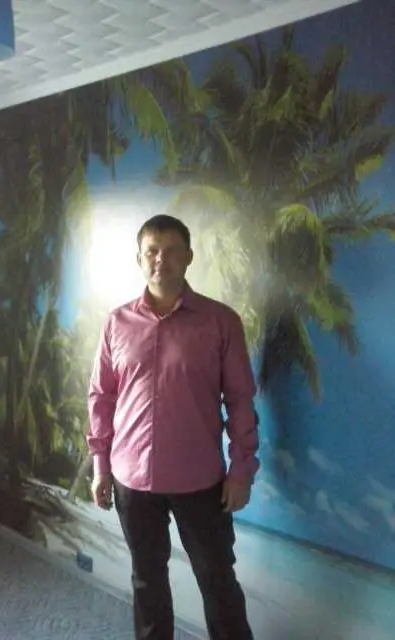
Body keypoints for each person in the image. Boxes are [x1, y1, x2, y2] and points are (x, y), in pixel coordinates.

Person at [87, 214, 259, 640]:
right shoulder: (116, 323)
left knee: (217, 581)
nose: (160, 260)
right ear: (139, 259)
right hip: (132, 480)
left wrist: (241, 471)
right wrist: (100, 466)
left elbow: (240, 400)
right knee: (147, 582)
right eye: (151, 251)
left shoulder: (220, 321)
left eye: (170, 251)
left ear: (188, 257)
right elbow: (101, 397)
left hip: (199, 481)